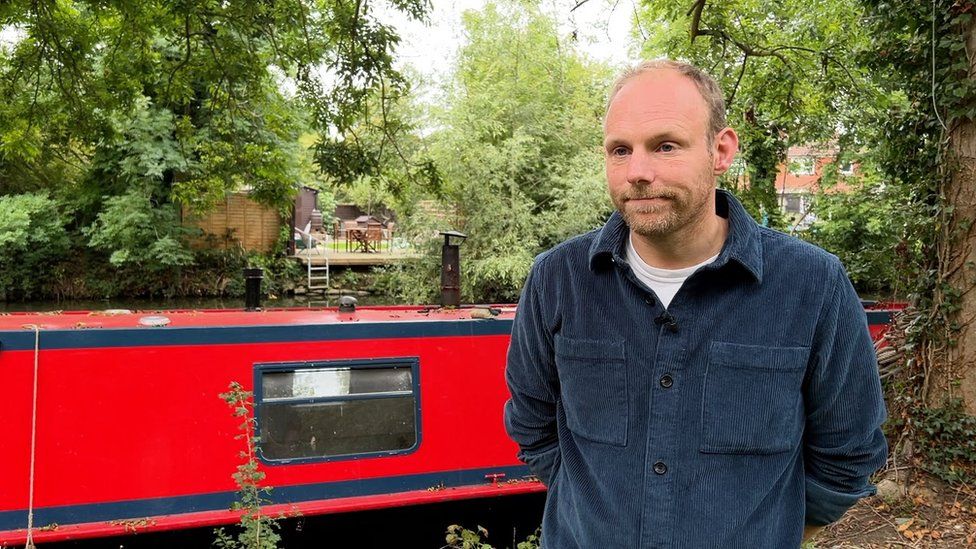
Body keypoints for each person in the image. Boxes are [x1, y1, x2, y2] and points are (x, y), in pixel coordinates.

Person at [503, 59, 888, 548]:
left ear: (721, 149)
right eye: (620, 150)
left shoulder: (813, 285)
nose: (637, 172)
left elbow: (849, 450)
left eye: (666, 146)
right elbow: (532, 425)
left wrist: (774, 529)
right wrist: (592, 511)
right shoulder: (557, 280)